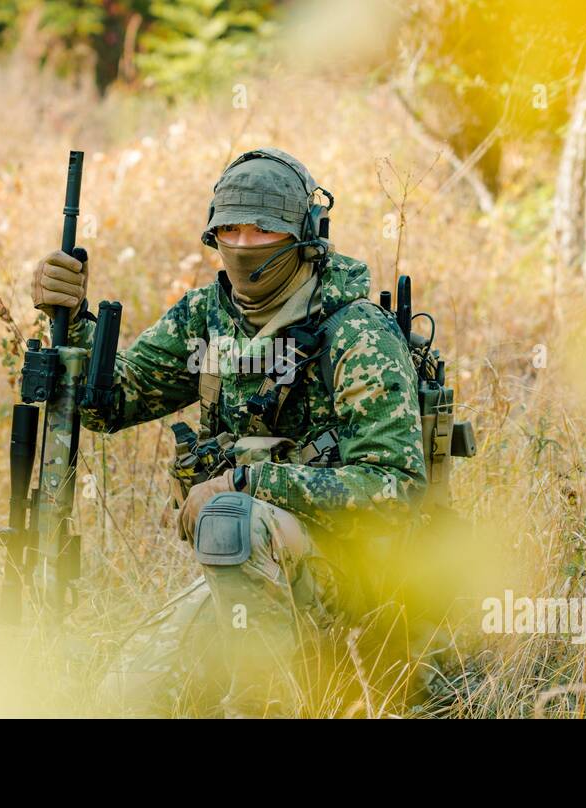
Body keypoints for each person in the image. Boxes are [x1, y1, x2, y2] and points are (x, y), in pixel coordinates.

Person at [30, 147, 426, 717]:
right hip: (251, 573)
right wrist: (70, 317)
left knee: (228, 516)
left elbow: (396, 491)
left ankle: (265, 704)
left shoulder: (356, 332)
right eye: (229, 230)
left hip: (355, 580)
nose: (242, 244)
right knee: (128, 695)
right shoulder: (206, 318)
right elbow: (111, 402)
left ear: (303, 236)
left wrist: (247, 481)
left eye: (262, 229)